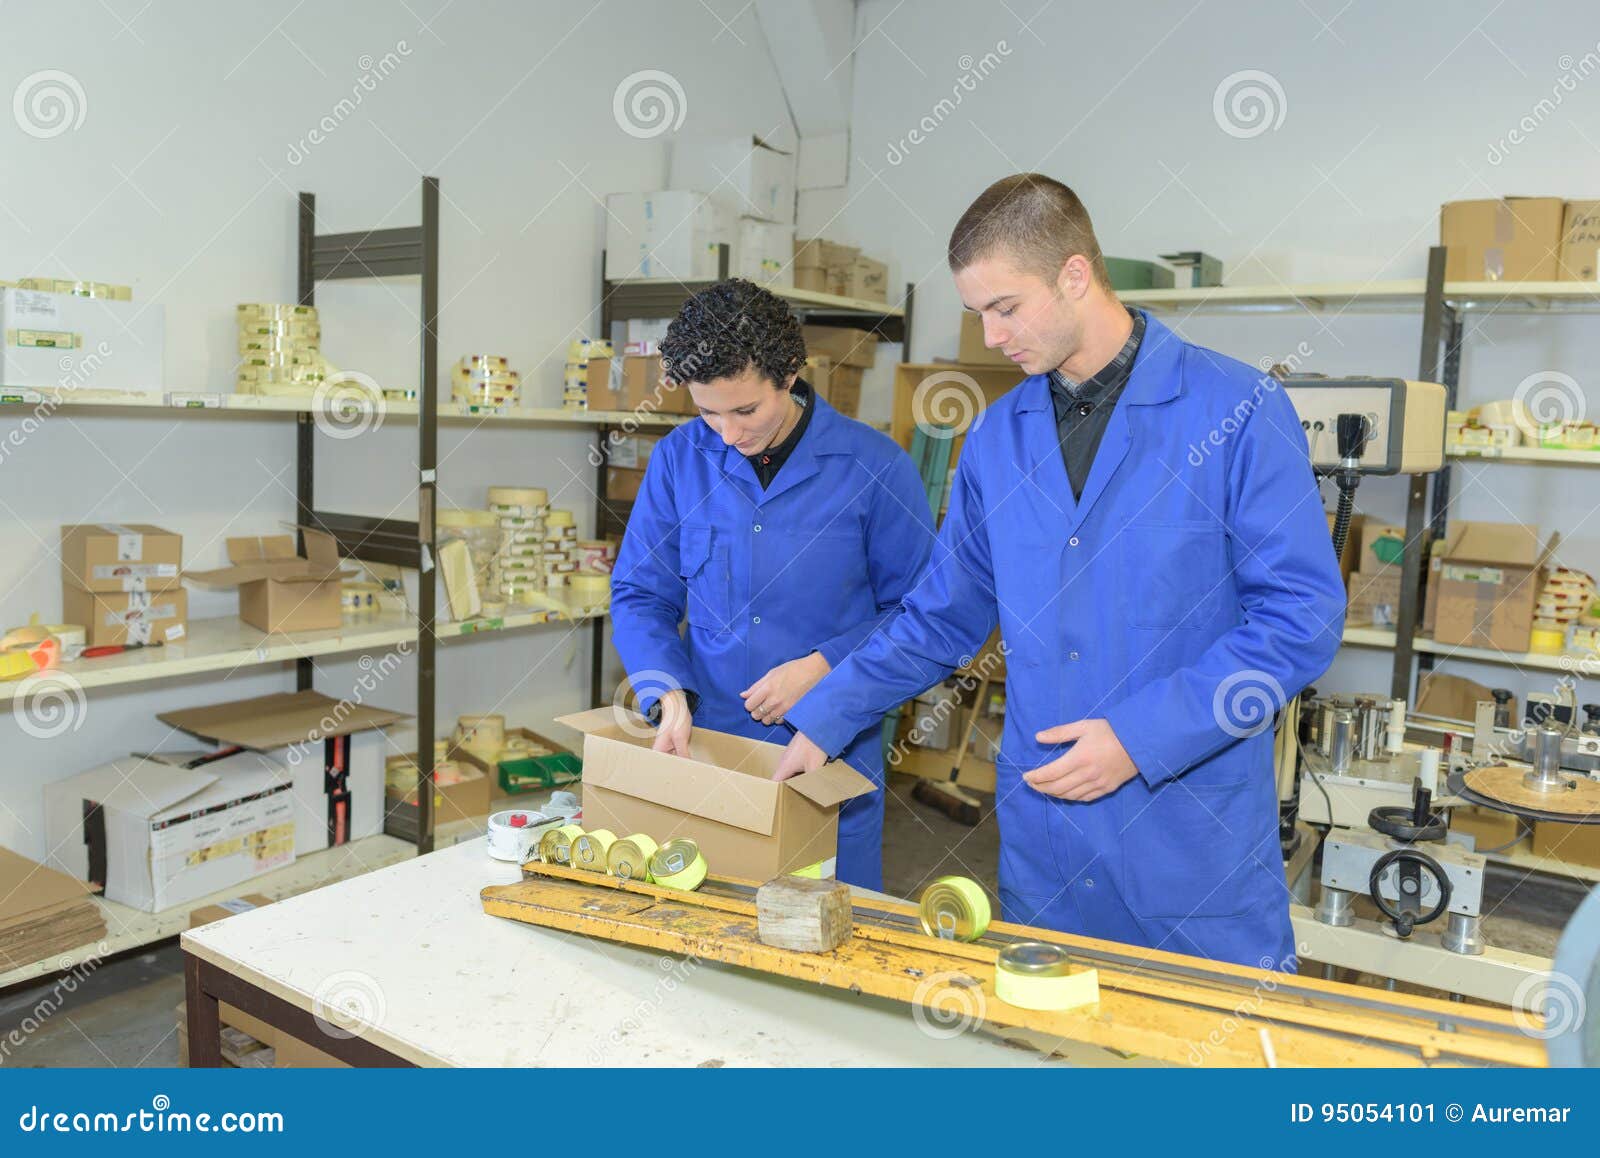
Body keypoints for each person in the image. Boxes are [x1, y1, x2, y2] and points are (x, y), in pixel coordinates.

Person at [777, 174, 1346, 968]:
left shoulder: (1238, 411)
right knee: (1047, 1056)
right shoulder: (998, 436)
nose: (991, 336)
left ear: (1074, 275)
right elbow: (943, 614)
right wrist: (829, 712)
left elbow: (1301, 620)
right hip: (1046, 840)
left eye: (1005, 308)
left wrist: (1141, 738)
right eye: (978, 314)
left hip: (1187, 838)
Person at [609, 278, 935, 890]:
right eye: (708, 413)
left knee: (824, 946)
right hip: (709, 754)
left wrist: (824, 664)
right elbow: (640, 594)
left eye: (746, 410)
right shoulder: (680, 459)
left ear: (789, 375)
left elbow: (921, 615)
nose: (728, 435)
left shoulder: (875, 467)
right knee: (705, 937)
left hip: (829, 752)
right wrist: (666, 693)